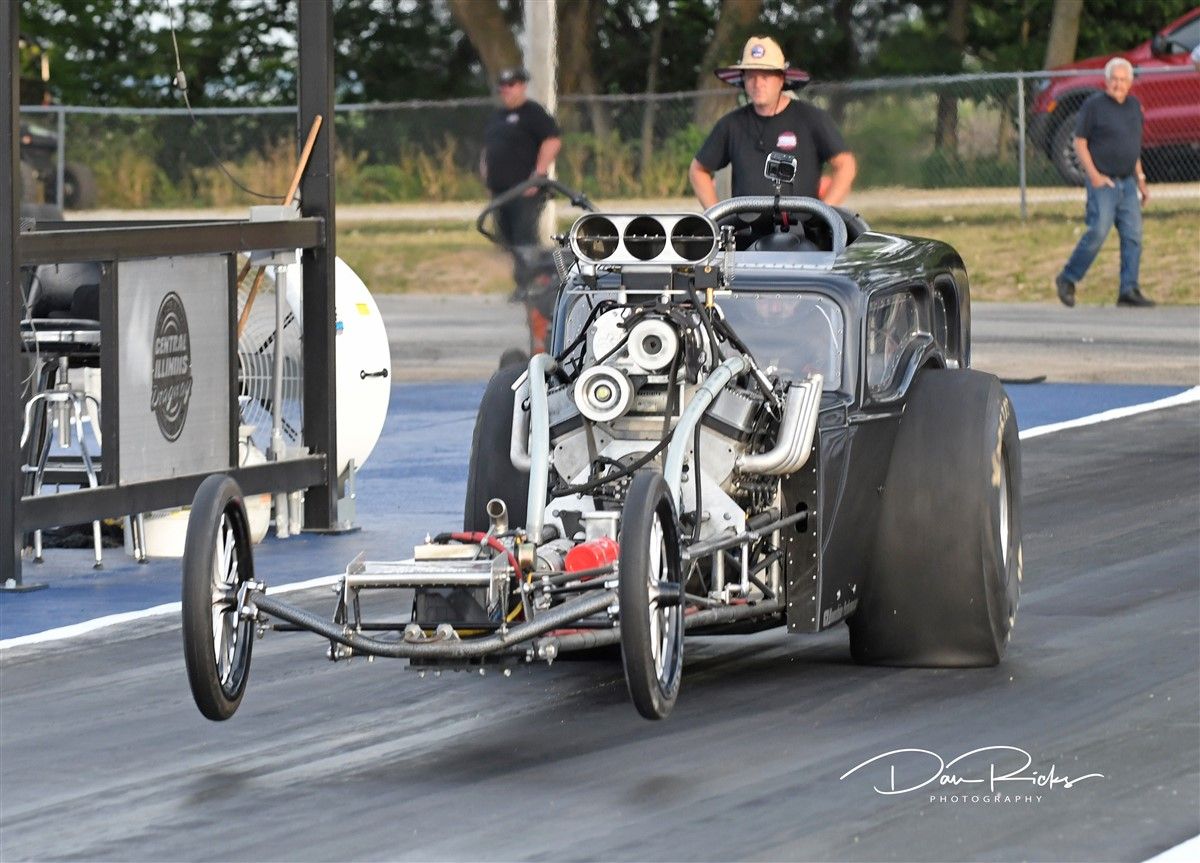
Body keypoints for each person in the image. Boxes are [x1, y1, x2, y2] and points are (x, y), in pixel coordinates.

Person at [689, 36, 856, 208]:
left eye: (765, 75)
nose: (758, 83)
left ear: (781, 79)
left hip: (802, 231)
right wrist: (718, 219)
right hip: (747, 232)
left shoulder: (811, 118)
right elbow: (698, 170)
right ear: (743, 81)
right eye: (751, 76)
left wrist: (825, 212)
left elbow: (845, 165)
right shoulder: (731, 124)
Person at [1055, 57, 1153, 308]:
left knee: (1133, 237)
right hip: (1104, 182)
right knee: (1098, 230)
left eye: (1123, 80)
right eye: (1114, 79)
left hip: (1128, 182)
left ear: (1130, 82)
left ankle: (1128, 289)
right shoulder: (1094, 106)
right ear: (1106, 81)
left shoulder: (1134, 106)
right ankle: (1067, 278)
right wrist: (1095, 176)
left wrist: (1140, 179)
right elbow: (1080, 142)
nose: (1118, 84)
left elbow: (1133, 148)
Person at [480, 67, 562, 249]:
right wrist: (487, 177)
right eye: (503, 85)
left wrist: (538, 174)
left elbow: (552, 142)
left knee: (525, 240)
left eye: (511, 84)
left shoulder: (533, 113)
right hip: (500, 190)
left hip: (525, 189)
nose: (506, 89)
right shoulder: (497, 116)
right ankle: (516, 274)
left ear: (522, 86)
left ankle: (535, 274)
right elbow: (488, 148)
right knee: (506, 241)